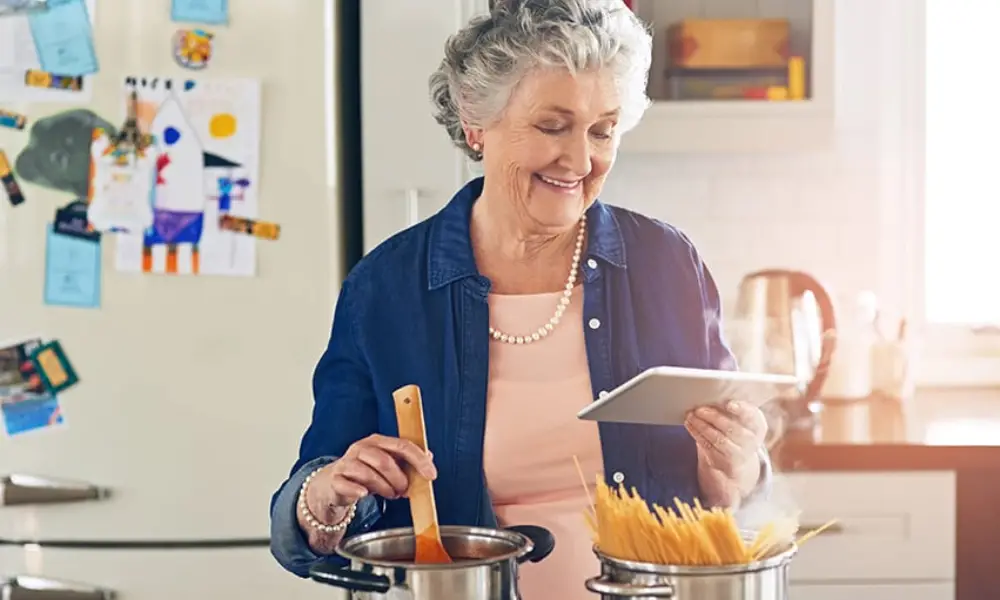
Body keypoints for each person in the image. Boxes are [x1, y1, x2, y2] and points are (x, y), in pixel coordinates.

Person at [269, 0, 771, 596]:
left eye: (603, 130)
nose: (580, 160)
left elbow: (736, 486)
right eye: (552, 126)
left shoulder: (666, 265)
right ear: (476, 122)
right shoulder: (386, 287)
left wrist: (736, 473)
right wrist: (326, 497)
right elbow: (302, 517)